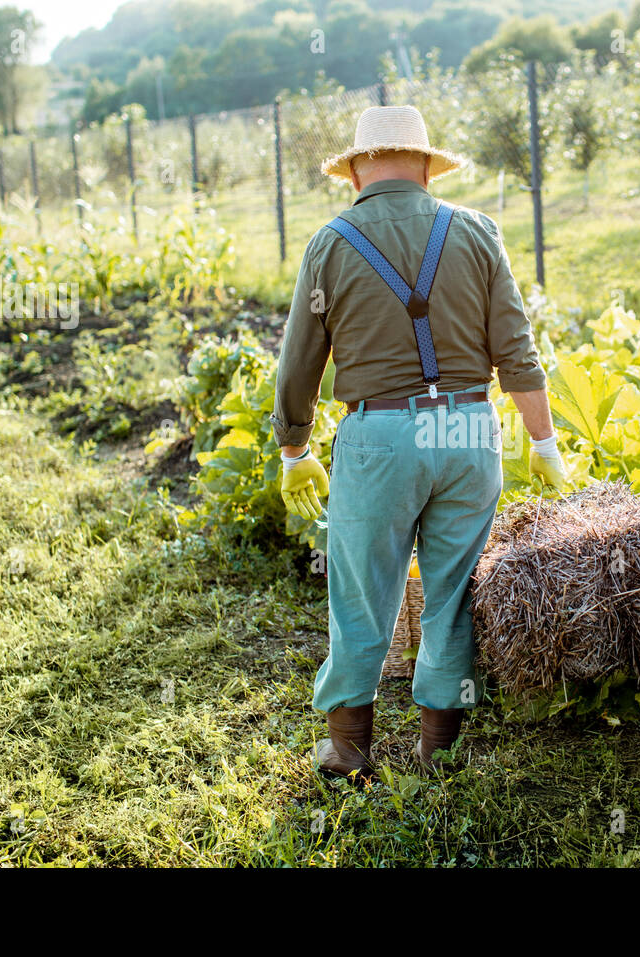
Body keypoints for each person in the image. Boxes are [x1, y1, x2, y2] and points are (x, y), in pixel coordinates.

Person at [271, 105, 567, 781]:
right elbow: (517, 351)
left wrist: (295, 446)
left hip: (380, 435)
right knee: (454, 592)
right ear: (428, 166)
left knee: (360, 593)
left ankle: (348, 750)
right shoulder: (478, 233)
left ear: (357, 169)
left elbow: (298, 363)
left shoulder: (332, 242)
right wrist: (543, 441)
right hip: (466, 429)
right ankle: (442, 751)